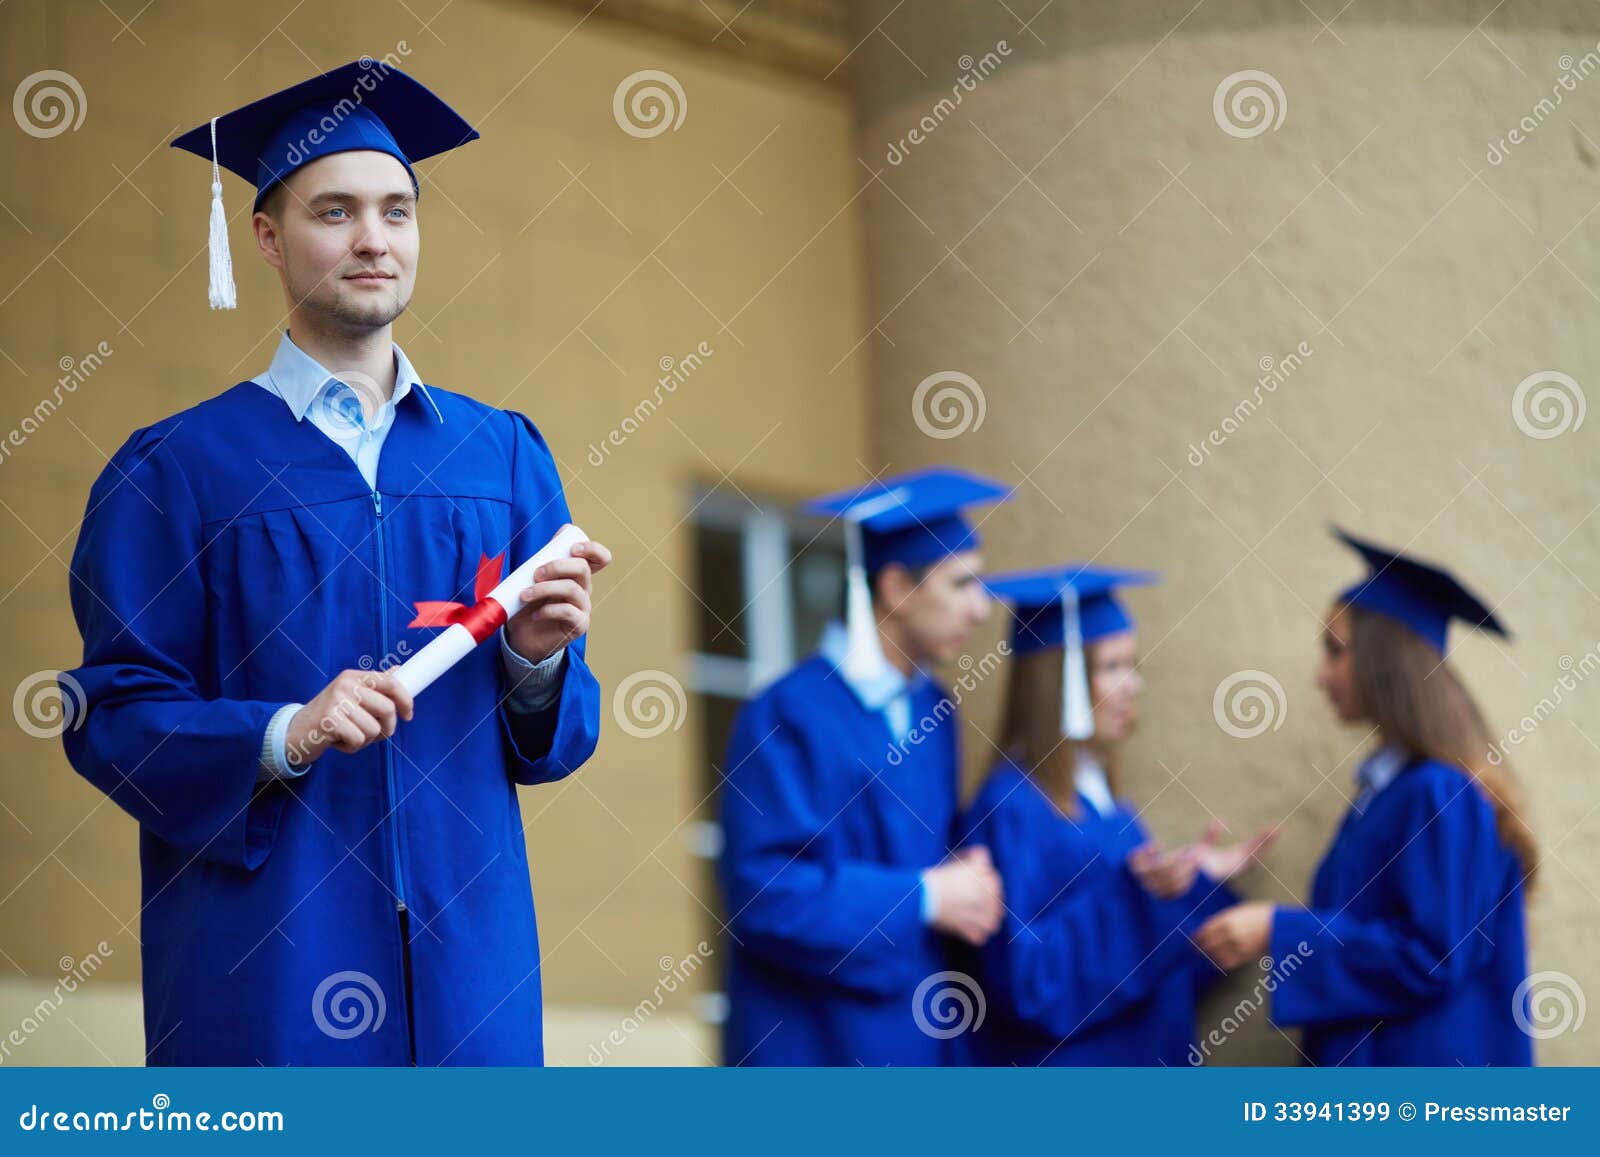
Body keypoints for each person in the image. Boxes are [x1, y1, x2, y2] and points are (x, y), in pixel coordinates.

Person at [60, 59, 609, 1065]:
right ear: (266, 237)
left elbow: (557, 741)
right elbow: (111, 712)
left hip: (469, 961)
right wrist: (281, 731)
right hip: (266, 956)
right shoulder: (177, 468)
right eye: (337, 211)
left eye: (398, 212)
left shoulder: (500, 456)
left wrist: (534, 658)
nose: (373, 240)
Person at [1196, 528, 1537, 1066]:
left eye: (1336, 652)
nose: (1320, 676)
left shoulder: (1440, 792)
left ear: (1386, 662)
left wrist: (1277, 930)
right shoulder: (1387, 792)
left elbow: (1431, 956)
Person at [717, 467, 1011, 1065]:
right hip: (812, 1044)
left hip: (912, 1033)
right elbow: (769, 897)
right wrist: (926, 897)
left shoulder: (935, 709)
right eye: (962, 584)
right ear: (898, 587)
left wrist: (962, 874)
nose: (981, 609)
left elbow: (915, 855)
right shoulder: (787, 715)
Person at [960, 565, 1274, 1065]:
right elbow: (1029, 985)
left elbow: (1140, 962)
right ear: (1056, 680)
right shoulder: (1010, 810)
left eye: (1133, 666)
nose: (1133, 686)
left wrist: (1195, 887)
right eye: (1111, 667)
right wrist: (1142, 895)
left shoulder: (1103, 799)